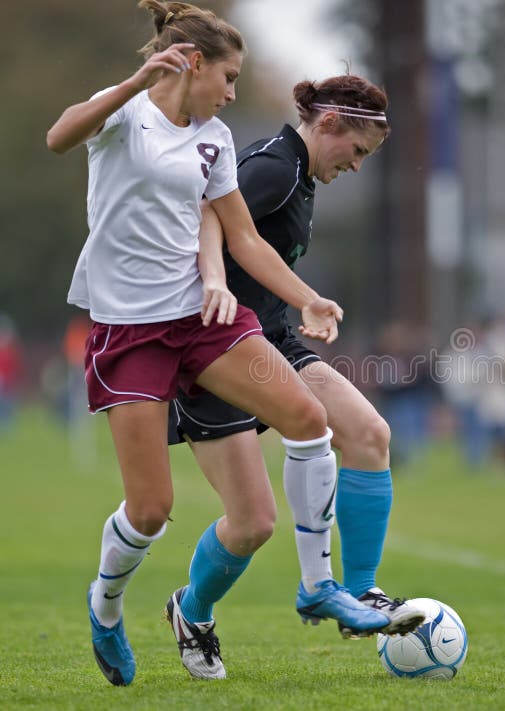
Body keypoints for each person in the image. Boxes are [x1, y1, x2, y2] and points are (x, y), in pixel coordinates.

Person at [46, 0, 388, 686]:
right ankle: (106, 604)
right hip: (128, 330)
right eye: (228, 77)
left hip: (204, 321)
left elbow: (243, 237)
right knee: (150, 511)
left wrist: (306, 297)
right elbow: (59, 136)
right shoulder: (124, 113)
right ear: (194, 63)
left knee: (310, 419)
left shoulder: (217, 139)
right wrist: (133, 84)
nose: (233, 94)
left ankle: (320, 586)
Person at [168, 74, 426, 648]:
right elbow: (208, 216)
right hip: (217, 350)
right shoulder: (275, 168)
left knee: (368, 433)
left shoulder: (300, 175)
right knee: (253, 524)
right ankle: (192, 609)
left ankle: (360, 591)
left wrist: (298, 300)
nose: (357, 166)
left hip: (274, 340)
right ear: (329, 123)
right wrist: (237, 287)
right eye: (356, 152)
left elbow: (252, 248)